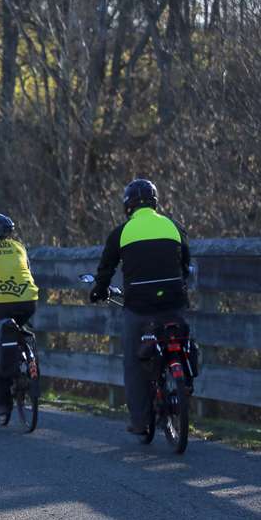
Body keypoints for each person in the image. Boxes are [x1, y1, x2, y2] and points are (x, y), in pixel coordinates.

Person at [89, 178, 191, 435]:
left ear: (128, 206)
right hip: (174, 301)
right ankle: (185, 378)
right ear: (155, 203)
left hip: (139, 306)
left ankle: (140, 420)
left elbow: (105, 270)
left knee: (134, 361)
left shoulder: (121, 233)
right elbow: (186, 263)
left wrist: (99, 291)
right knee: (184, 342)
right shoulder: (174, 226)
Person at [0, 213, 39, 417]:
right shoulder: (19, 247)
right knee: (18, 328)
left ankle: (3, 402)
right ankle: (27, 356)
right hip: (27, 302)